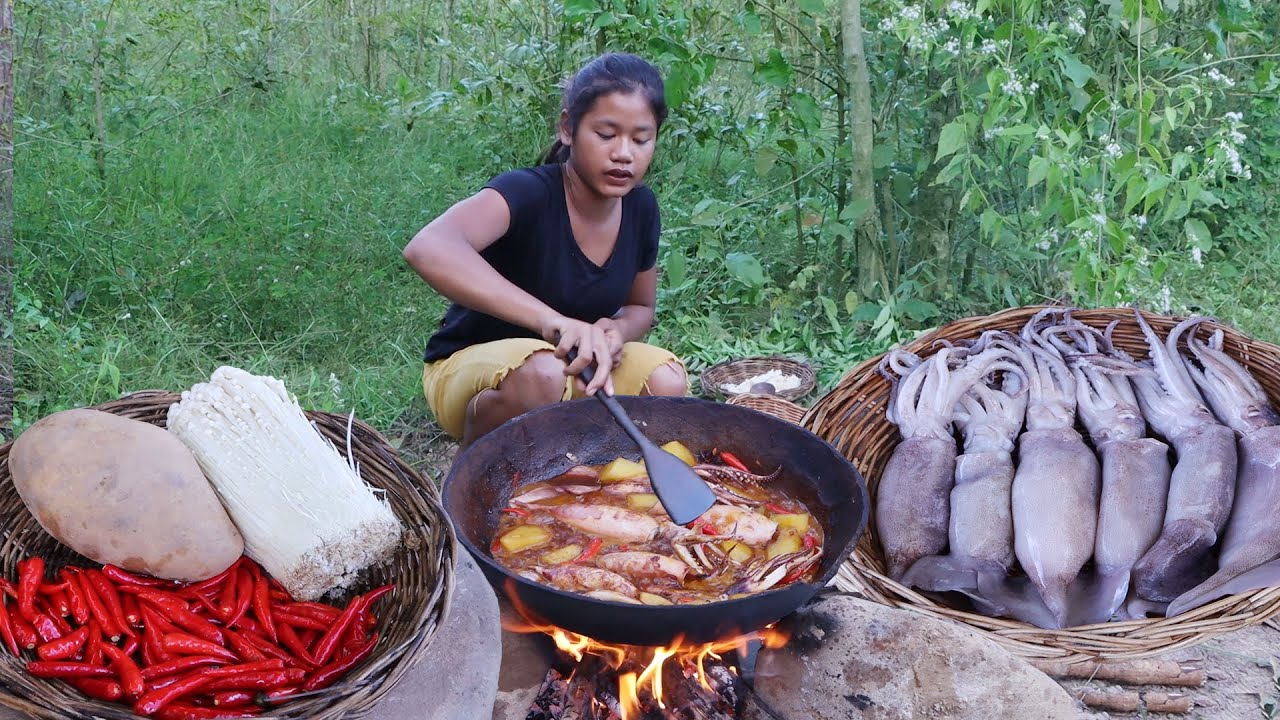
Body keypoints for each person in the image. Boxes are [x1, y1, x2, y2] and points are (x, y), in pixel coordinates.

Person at [403, 52, 689, 447]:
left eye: (641, 139)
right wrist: (554, 323)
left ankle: (595, 480)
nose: (624, 153)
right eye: (606, 135)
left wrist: (616, 331)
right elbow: (428, 247)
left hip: (578, 370)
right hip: (475, 372)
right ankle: (471, 487)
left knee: (666, 380)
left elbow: (641, 309)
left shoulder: (641, 208)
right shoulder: (529, 193)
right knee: (542, 372)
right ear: (568, 128)